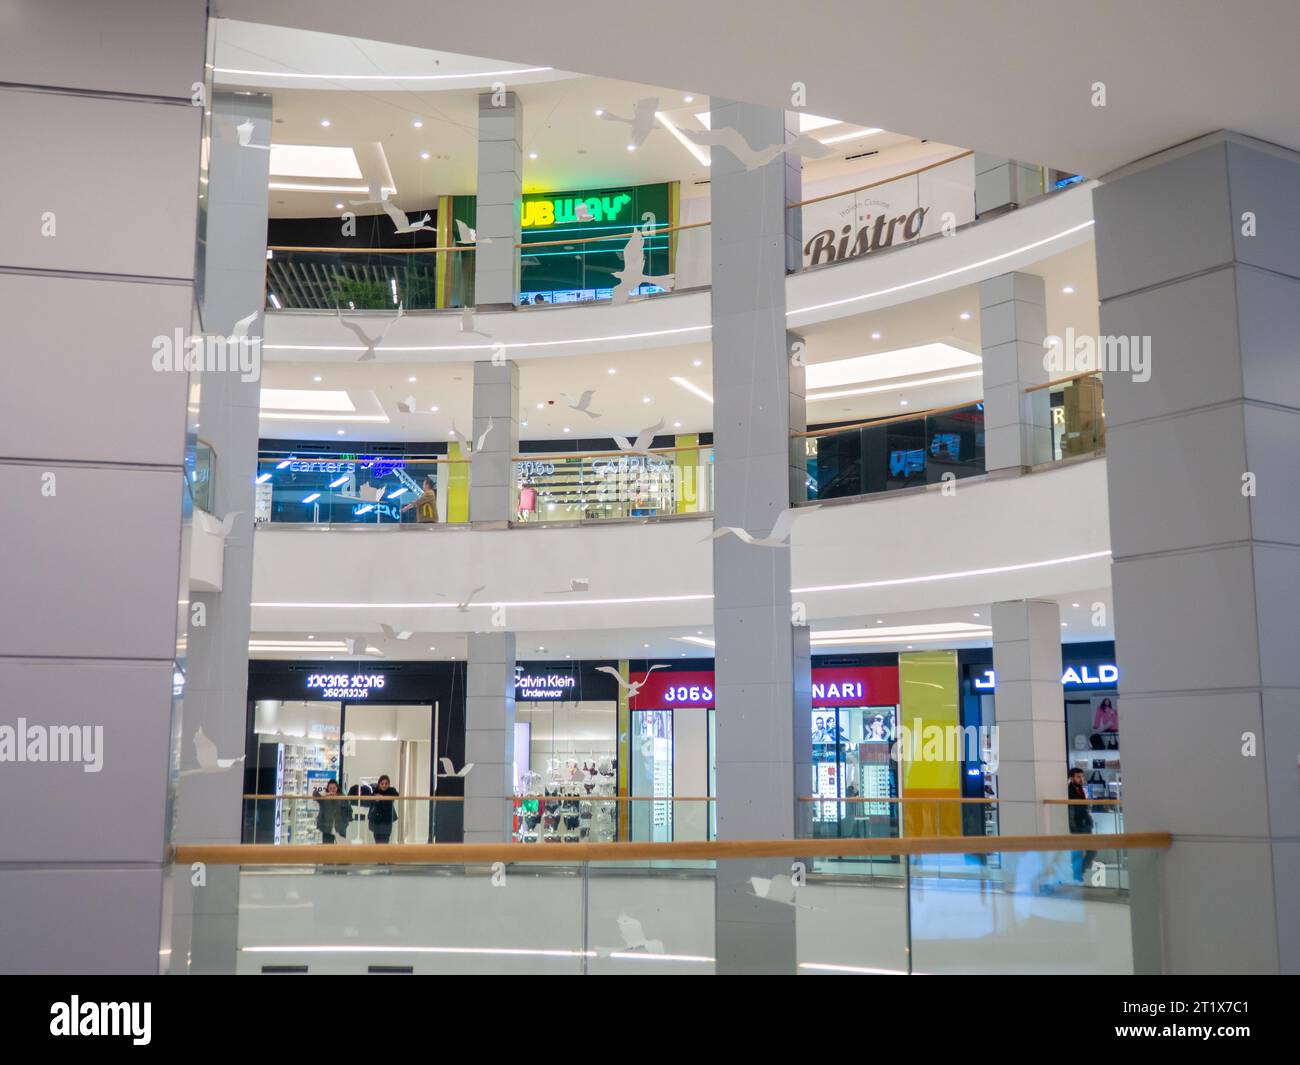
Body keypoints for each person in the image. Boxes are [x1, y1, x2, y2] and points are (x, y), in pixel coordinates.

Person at [1067, 767, 1097, 883]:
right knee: (1077, 851)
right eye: (1078, 777)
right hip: (1077, 825)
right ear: (1072, 778)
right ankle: (1077, 874)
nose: (1081, 779)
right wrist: (1073, 825)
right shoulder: (1069, 791)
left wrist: (1089, 820)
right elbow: (1071, 809)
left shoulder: (1080, 789)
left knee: (1093, 850)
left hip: (1085, 824)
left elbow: (1084, 807)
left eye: (1082, 776)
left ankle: (1079, 872)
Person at [315, 778, 350, 843]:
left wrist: (346, 822)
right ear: (327, 788)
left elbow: (349, 810)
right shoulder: (324, 798)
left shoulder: (342, 797)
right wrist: (325, 795)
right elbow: (315, 795)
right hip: (327, 827)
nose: (332, 790)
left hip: (340, 827)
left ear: (337, 788)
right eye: (330, 788)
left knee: (341, 849)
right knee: (327, 849)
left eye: (334, 788)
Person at [369, 774, 400, 844]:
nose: (384, 785)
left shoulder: (392, 790)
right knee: (377, 839)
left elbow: (397, 795)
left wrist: (382, 797)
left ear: (389, 784)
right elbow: (371, 801)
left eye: (386, 783)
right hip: (377, 820)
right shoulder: (376, 791)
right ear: (379, 784)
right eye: (382, 783)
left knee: (386, 839)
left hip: (387, 820)